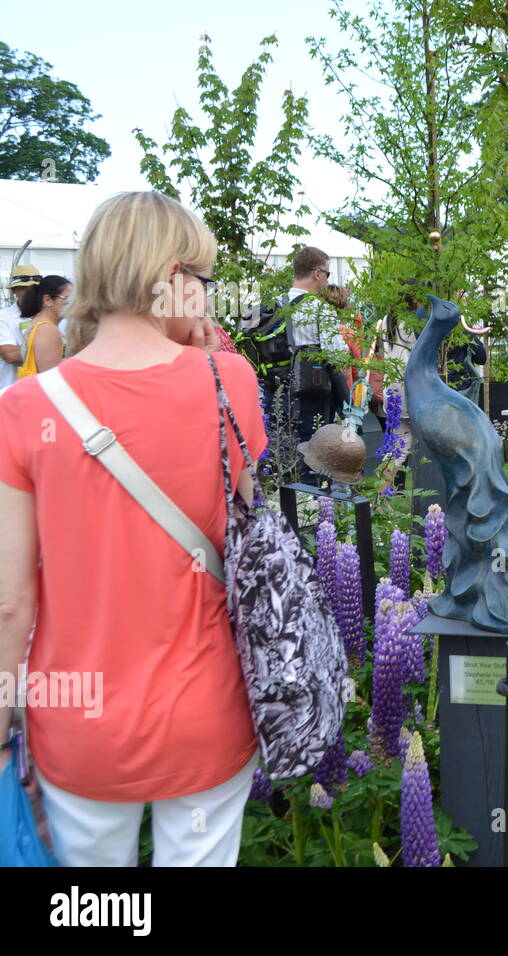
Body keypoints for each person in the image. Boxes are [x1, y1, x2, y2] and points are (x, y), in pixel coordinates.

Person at [0, 191, 266, 866]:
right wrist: (209, 356)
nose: (207, 299)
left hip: (79, 727)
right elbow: (244, 524)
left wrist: (4, 727)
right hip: (206, 715)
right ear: (172, 277)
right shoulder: (229, 382)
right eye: (203, 283)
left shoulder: (25, 408)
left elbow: (10, 602)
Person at [284, 247, 348, 458]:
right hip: (312, 395)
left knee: (285, 456)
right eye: (327, 274)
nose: (328, 280)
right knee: (313, 457)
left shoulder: (273, 305)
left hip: (279, 395)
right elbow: (337, 356)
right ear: (317, 273)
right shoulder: (320, 308)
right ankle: (313, 491)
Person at [14, 275, 71, 378]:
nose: (72, 303)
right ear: (48, 300)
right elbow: (51, 379)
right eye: (67, 298)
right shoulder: (47, 329)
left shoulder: (39, 323)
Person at [0, 265, 44, 392]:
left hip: (44, 392)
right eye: (23, 288)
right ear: (14, 290)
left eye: (34, 288)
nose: (29, 292)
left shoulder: (53, 314)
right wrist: (49, 349)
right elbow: (10, 355)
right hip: (12, 391)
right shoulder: (3, 317)